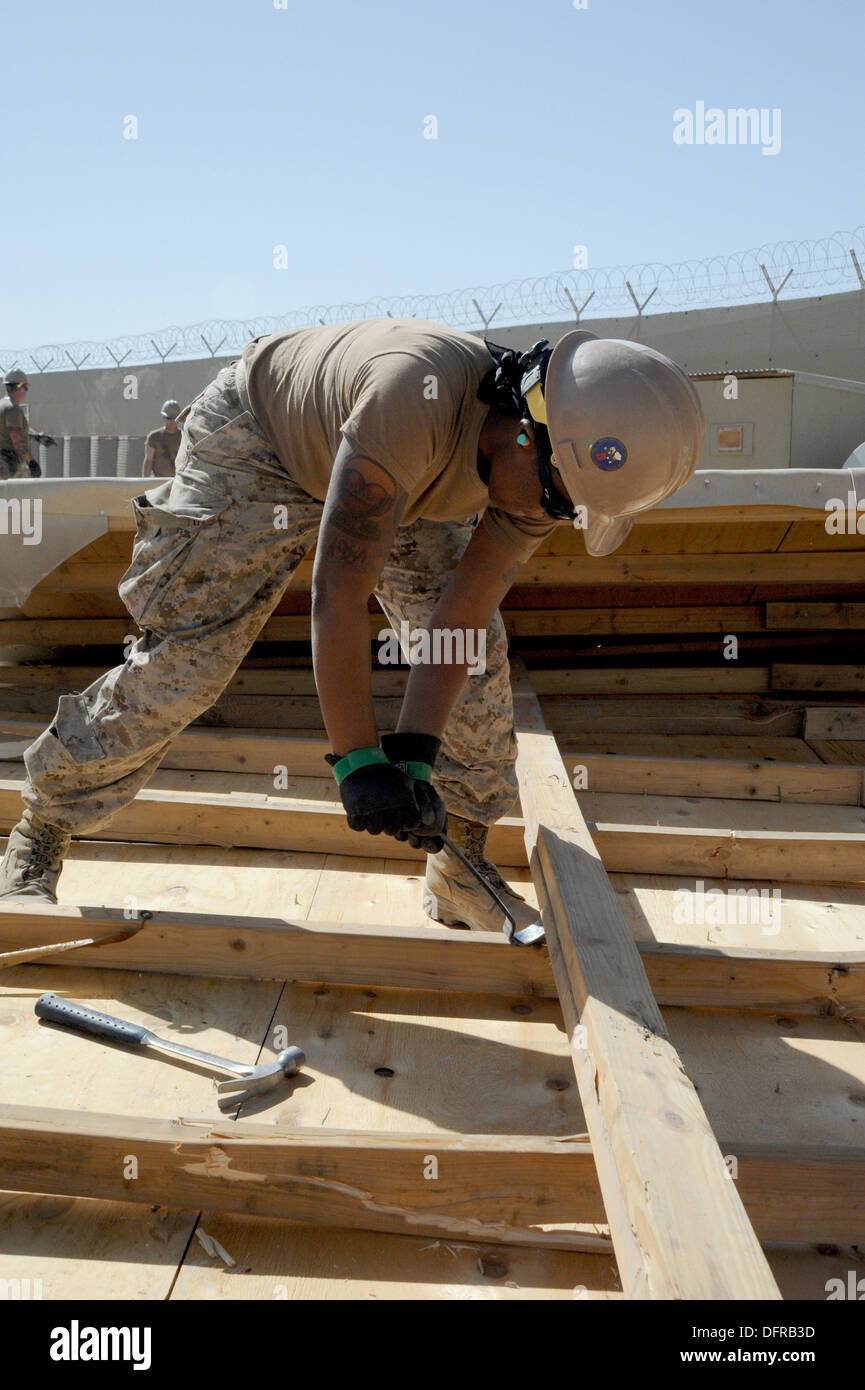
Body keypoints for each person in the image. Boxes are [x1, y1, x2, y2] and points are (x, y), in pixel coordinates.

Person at [0, 320, 704, 933]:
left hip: (412, 476)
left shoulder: (545, 477)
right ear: (526, 436)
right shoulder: (411, 398)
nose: (553, 518)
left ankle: (458, 869)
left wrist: (418, 755)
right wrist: (360, 762)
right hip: (265, 437)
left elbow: (457, 619)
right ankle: (44, 826)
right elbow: (338, 594)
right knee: (193, 658)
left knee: (479, 656)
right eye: (559, 501)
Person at [0, 369, 56, 479]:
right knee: (17, 494)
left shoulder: (2, 405)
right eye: (26, 388)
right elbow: (15, 436)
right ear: (19, 387)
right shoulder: (12, 408)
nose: (26, 392)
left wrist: (36, 437)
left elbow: (5, 433)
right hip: (8, 465)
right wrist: (31, 461)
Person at [142, 399, 182, 477]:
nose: (172, 421)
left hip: (177, 481)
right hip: (158, 481)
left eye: (175, 418)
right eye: (169, 418)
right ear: (164, 417)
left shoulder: (184, 437)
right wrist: (144, 483)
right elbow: (149, 461)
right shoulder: (154, 437)